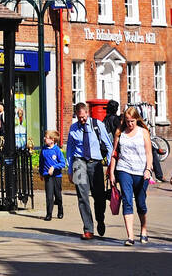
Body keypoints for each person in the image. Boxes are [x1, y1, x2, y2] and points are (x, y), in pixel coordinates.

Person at [108, 106, 154, 246]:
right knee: (127, 200)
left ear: (137, 119)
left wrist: (148, 169)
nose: (130, 124)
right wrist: (111, 172)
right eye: (127, 121)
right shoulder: (120, 133)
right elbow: (115, 153)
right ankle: (130, 237)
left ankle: (144, 230)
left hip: (141, 171)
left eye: (132, 121)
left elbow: (149, 153)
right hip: (124, 170)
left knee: (140, 203)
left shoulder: (143, 132)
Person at [66, 101, 112, 239]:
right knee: (82, 197)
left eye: (84, 116)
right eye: (79, 117)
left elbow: (109, 146)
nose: (82, 119)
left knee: (99, 197)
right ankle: (88, 229)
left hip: (95, 163)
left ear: (87, 113)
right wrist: (69, 169)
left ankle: (100, 219)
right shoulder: (73, 128)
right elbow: (70, 150)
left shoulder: (98, 125)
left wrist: (110, 166)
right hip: (79, 163)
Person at [39, 129, 66, 220]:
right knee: (49, 195)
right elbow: (41, 162)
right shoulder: (43, 149)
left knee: (57, 195)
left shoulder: (57, 150)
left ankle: (60, 209)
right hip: (47, 176)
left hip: (57, 176)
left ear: (52, 140)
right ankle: (49, 214)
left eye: (46, 137)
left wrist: (54, 167)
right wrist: (41, 173)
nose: (44, 139)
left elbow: (63, 163)